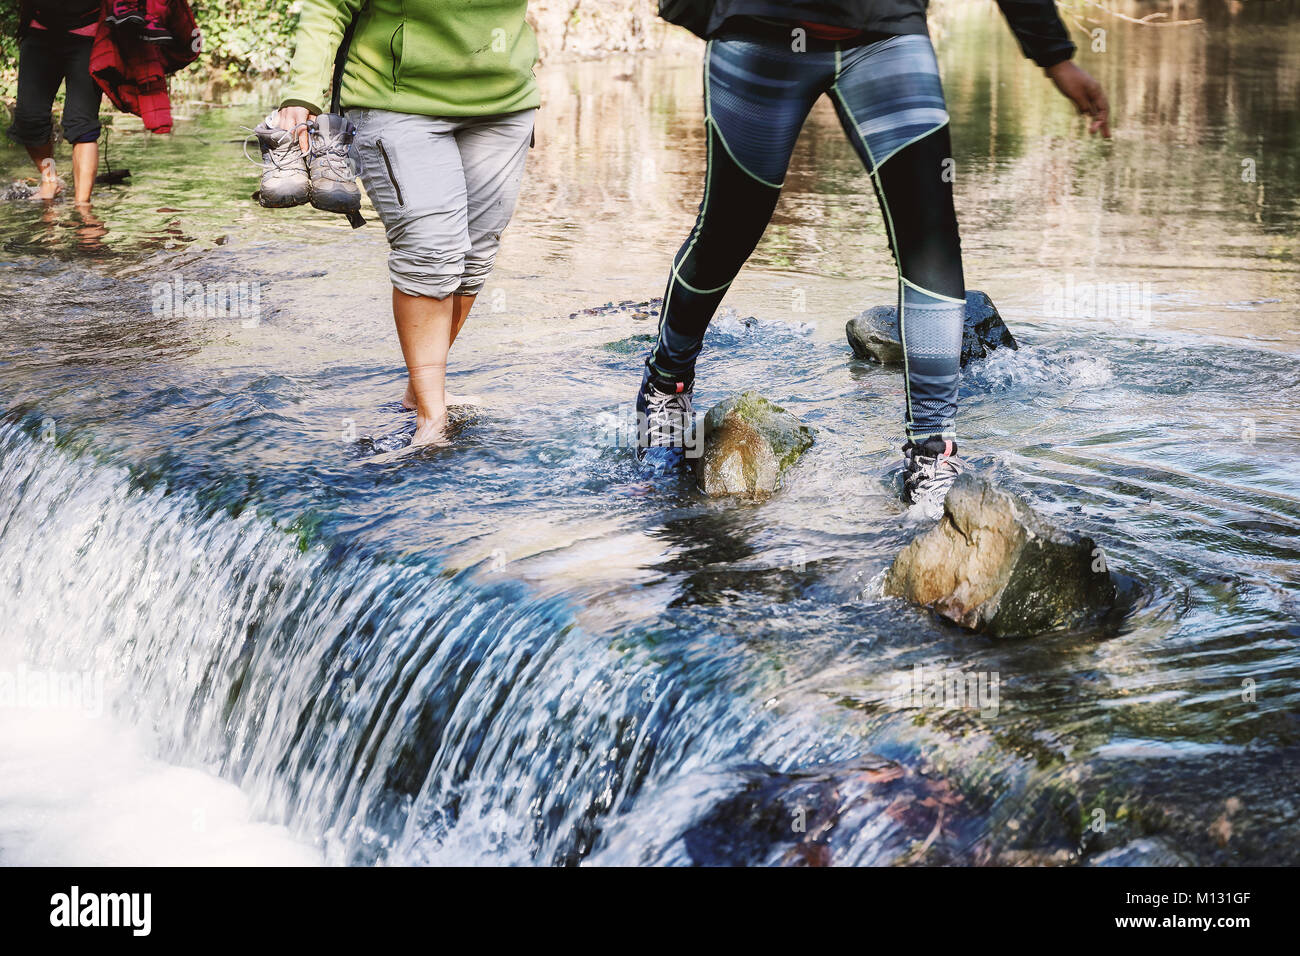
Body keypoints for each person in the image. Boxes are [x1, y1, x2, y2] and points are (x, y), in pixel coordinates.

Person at [637, 0, 1111, 517]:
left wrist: (1053, 54)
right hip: (759, 30)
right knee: (729, 229)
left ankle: (933, 452)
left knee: (930, 239)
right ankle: (667, 384)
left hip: (885, 34)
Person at [272, 0, 540, 446]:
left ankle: (420, 393)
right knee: (430, 252)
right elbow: (328, 5)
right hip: (395, 101)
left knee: (474, 258)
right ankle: (432, 418)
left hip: (505, 102)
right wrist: (304, 94)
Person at [7, 0, 105, 203]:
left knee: (82, 125)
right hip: (40, 31)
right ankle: (50, 180)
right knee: (30, 119)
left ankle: (83, 207)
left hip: (89, 35)